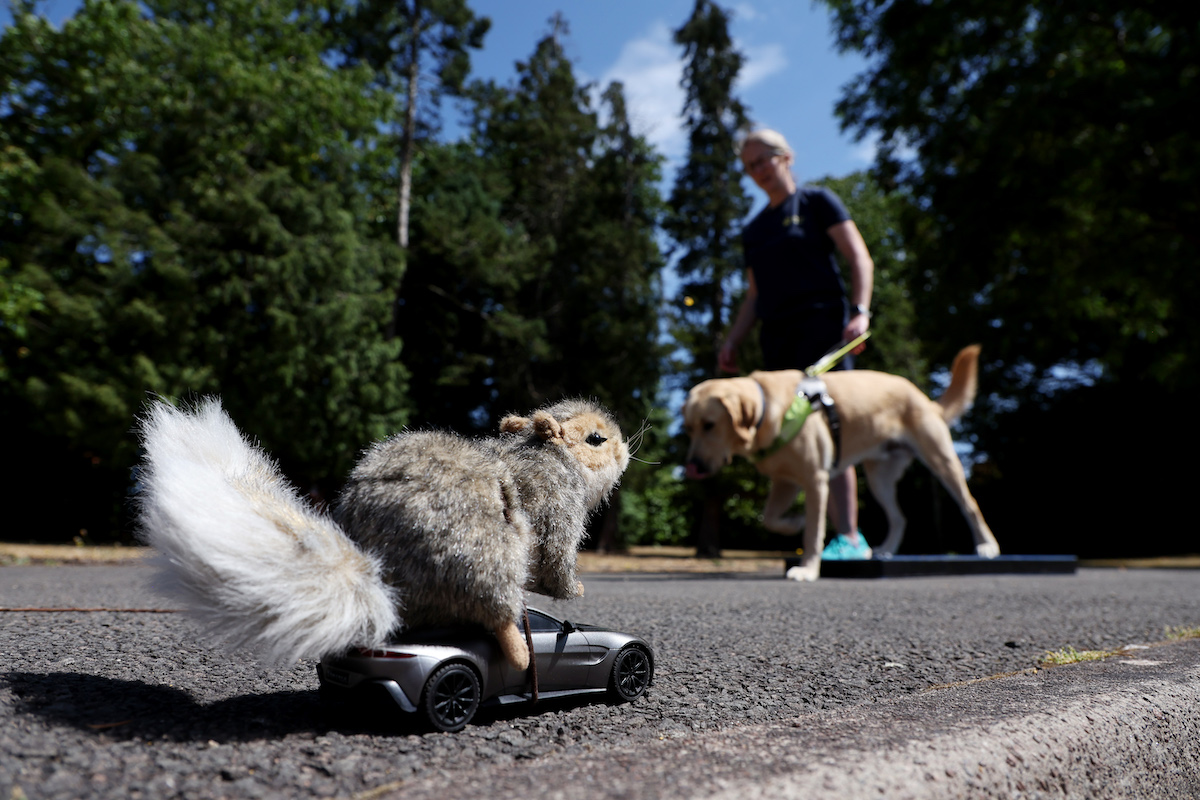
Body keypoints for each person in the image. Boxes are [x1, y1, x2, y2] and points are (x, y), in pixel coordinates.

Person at [719, 128, 875, 560]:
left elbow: (859, 257)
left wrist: (860, 311)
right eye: (750, 166)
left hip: (823, 330)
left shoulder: (817, 202)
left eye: (763, 159)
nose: (758, 170)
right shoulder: (755, 230)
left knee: (829, 429)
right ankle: (818, 535)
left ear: (785, 156)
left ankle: (851, 538)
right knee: (788, 435)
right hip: (778, 341)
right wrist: (733, 340)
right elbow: (754, 295)